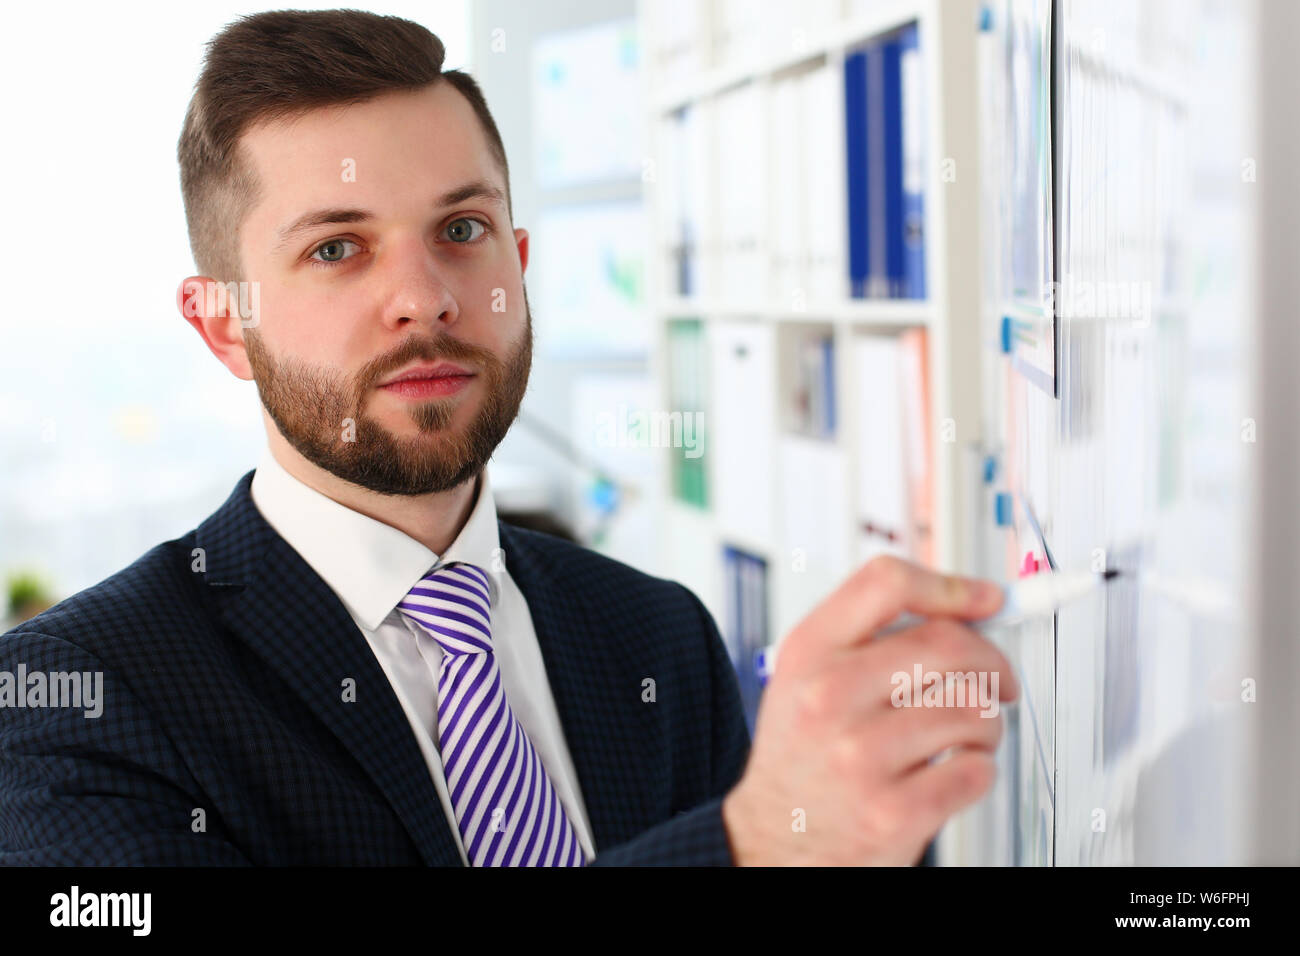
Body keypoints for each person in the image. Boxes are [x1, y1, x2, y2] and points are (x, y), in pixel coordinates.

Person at [0, 9, 1016, 866]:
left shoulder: (658, 635)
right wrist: (746, 844)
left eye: (461, 229)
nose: (424, 298)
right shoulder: (76, 702)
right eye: (338, 247)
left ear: (516, 263)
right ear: (224, 320)